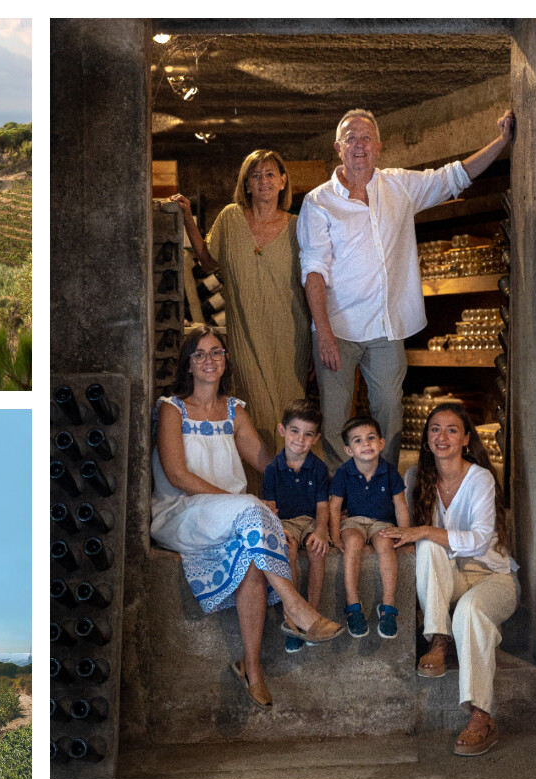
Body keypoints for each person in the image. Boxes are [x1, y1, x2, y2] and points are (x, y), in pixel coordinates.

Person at [299, 108, 515, 470]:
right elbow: (314, 272)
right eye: (351, 138)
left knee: (389, 413)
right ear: (338, 148)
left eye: (366, 137)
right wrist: (323, 332)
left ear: (379, 146)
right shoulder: (318, 202)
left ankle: (383, 490)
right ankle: (339, 495)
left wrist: (502, 141)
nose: (359, 145)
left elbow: (455, 176)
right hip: (337, 328)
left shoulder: (399, 186)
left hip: (386, 327)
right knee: (335, 419)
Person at [152, 325, 343, 710]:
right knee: (252, 511)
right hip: (182, 513)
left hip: (238, 517)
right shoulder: (172, 409)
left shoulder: (234, 411)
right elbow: (177, 475)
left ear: (226, 361)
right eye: (200, 354)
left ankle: (251, 669)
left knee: (253, 561)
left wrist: (310, 479)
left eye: (216, 352)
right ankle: (296, 608)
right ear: (188, 364)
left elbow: (269, 464)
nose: (209, 360)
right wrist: (243, 505)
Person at [380, 402, 518, 756]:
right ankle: (439, 639)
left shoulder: (480, 478)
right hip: (449, 577)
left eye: (452, 430)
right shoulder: (415, 476)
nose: (442, 436)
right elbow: (402, 529)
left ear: (466, 439)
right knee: (426, 546)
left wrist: (425, 529)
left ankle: (481, 717)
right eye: (435, 429)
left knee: (470, 609)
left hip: (493, 577)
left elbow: (480, 540)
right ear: (426, 439)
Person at [169, 148, 311, 459]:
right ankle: (263, 481)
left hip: (291, 336)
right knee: (255, 409)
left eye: (270, 174)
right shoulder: (230, 218)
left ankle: (293, 479)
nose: (263, 181)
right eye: (255, 176)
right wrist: (188, 218)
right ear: (246, 184)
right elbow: (208, 261)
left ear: (283, 181)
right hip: (245, 333)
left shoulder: (299, 226)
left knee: (291, 412)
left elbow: (313, 282)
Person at [329, 415, 409, 639]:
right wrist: (335, 536)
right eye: (358, 440)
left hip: (381, 522)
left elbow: (400, 504)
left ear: (381, 443)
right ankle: (353, 604)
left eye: (371, 438)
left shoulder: (390, 472)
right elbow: (334, 507)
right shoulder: (343, 473)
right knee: (353, 541)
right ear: (348, 450)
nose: (366, 444)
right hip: (353, 521)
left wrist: (404, 533)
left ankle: (388, 607)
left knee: (385, 543)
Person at [260, 399, 331, 654]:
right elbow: (270, 507)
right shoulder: (272, 469)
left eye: (308, 434)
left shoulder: (319, 469)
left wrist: (321, 531)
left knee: (317, 551)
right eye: (294, 431)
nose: (300, 439)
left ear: (316, 438)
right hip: (285, 522)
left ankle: (311, 617)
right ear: (282, 430)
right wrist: (278, 528)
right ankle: (292, 620)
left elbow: (322, 505)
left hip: (310, 521)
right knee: (287, 550)